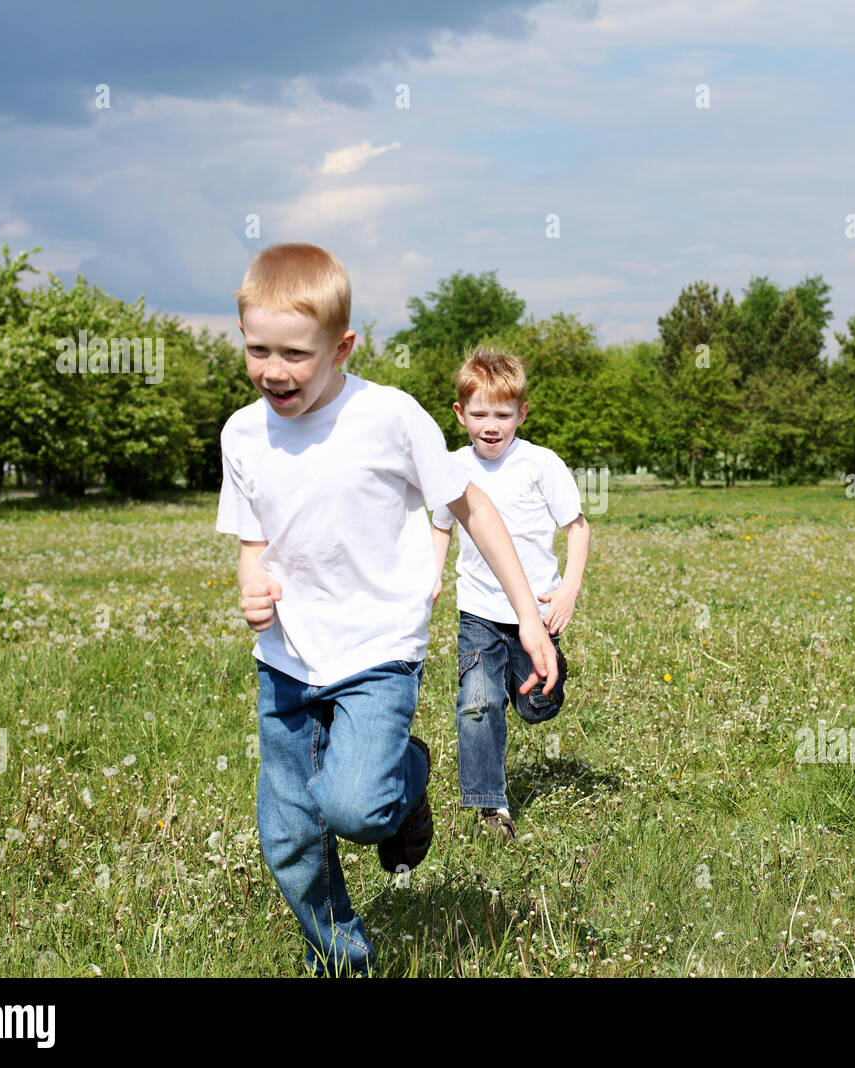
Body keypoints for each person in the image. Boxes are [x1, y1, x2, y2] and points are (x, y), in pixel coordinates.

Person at [215, 244, 558, 976]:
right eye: (257, 349)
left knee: (357, 808)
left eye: (295, 354)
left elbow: (476, 511)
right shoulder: (243, 435)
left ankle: (408, 773)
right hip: (284, 660)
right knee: (289, 837)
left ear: (342, 347)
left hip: (377, 652)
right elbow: (254, 541)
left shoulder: (388, 417)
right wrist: (252, 583)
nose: (274, 371)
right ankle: (342, 962)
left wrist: (528, 618)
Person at [430, 347, 590, 840]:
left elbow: (578, 527)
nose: (491, 425)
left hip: (537, 612)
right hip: (478, 609)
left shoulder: (541, 464)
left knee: (537, 704)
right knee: (477, 701)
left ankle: (543, 684)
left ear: (522, 413)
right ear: (460, 414)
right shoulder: (452, 468)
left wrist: (568, 590)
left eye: (503, 414)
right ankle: (491, 809)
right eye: (479, 414)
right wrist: (432, 578)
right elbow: (440, 527)